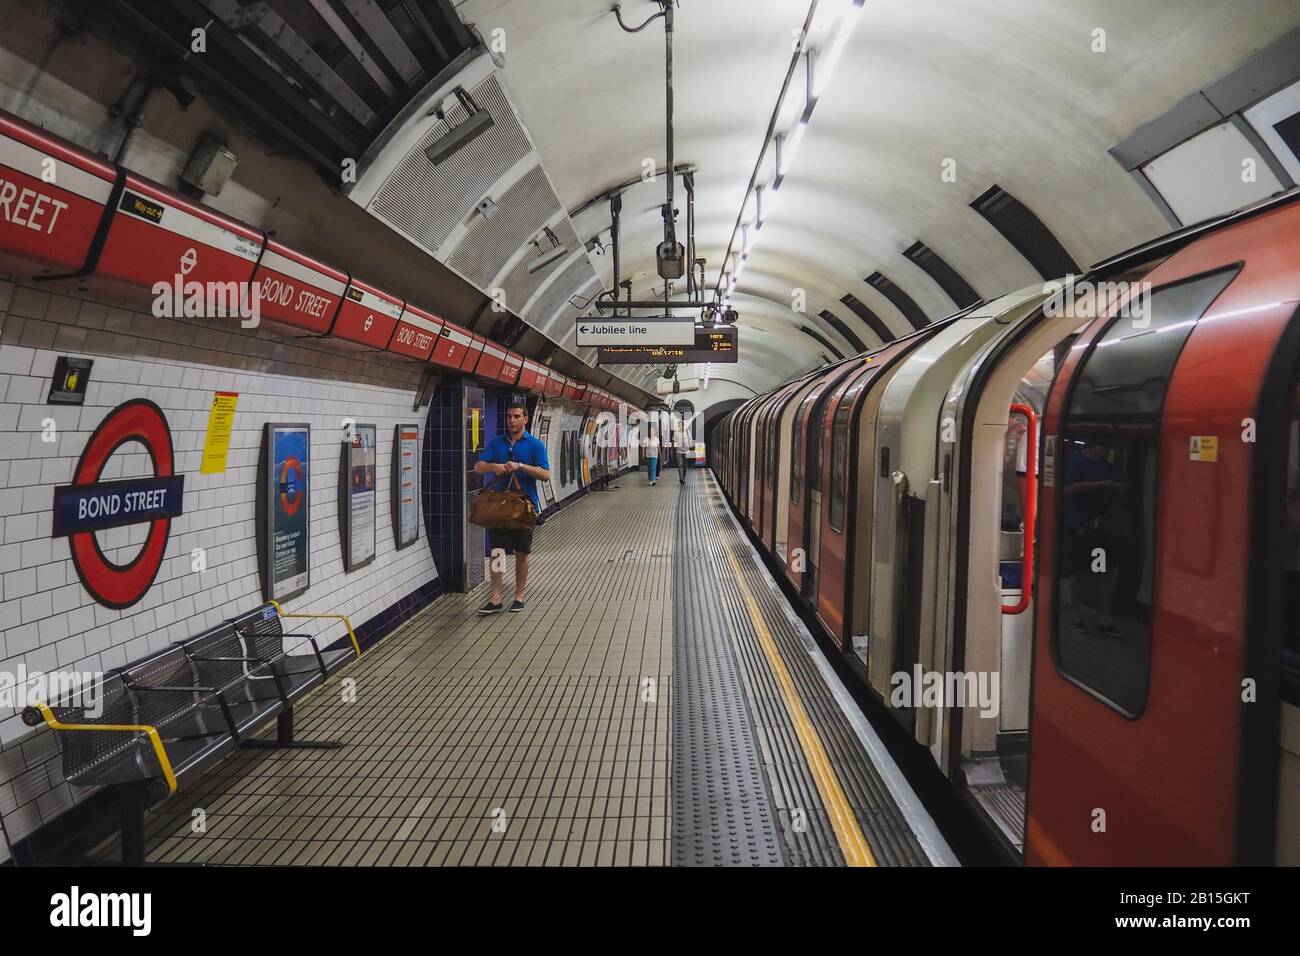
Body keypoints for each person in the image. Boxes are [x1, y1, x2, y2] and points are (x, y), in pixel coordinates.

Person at [473, 401, 551, 614]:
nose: (512, 420)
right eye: (509, 417)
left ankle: (519, 595)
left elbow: (545, 475)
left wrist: (521, 466)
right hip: (498, 506)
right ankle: (496, 597)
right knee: (497, 551)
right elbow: (478, 466)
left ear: (525, 419)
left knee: (522, 552)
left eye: (517, 416)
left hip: (524, 506)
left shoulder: (535, 445)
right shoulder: (497, 443)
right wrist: (493, 466)